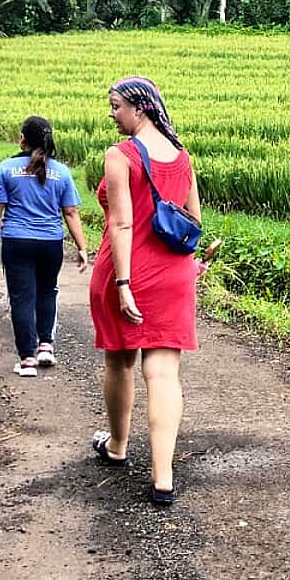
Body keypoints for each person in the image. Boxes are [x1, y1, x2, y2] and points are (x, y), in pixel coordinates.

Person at [89, 77, 200, 507]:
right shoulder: (182, 156)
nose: (112, 113)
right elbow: (192, 218)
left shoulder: (121, 155)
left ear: (139, 108)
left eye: (115, 106)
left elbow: (120, 223)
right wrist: (192, 265)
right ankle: (163, 478)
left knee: (119, 363)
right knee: (164, 375)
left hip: (127, 272)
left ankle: (117, 446)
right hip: (174, 275)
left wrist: (123, 283)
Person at [0, 116, 88, 377]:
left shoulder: (7, 168)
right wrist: (82, 247)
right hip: (51, 243)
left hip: (18, 241)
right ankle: (45, 346)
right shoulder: (61, 172)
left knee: (22, 297)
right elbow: (70, 212)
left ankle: (27, 358)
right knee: (47, 291)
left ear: (22, 139)